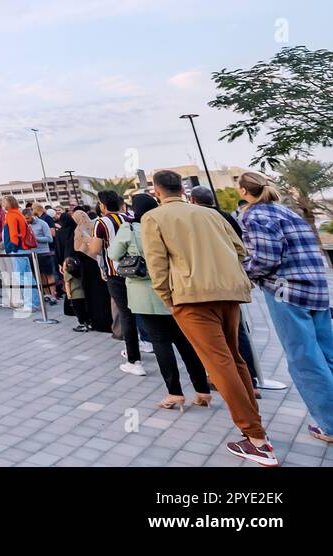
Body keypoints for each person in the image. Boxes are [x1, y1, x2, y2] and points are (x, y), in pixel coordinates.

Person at [142, 169, 276, 466]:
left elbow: (157, 264)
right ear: (182, 188)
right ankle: (254, 426)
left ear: (157, 191)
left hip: (192, 297)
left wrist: (168, 299)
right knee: (234, 358)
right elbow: (240, 249)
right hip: (229, 293)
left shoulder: (154, 218)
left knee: (219, 364)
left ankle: (256, 438)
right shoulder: (211, 214)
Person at [238, 170, 333, 446]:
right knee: (327, 355)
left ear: (245, 191)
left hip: (286, 292)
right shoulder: (287, 212)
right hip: (316, 290)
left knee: (304, 360)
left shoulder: (255, 215)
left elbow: (265, 259)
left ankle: (329, 424)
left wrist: (245, 270)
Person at [112, 193, 211, 409]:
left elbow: (114, 253)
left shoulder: (129, 229)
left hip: (145, 293)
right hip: (176, 289)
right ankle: (202, 389)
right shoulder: (166, 224)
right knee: (185, 341)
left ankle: (175, 392)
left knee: (161, 343)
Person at [189, 185, 284, 393]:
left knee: (215, 338)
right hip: (231, 282)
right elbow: (242, 246)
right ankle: (250, 379)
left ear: (193, 201)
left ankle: (225, 381)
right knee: (238, 333)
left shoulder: (195, 219)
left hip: (206, 284)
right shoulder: (226, 217)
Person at [88, 190, 145, 375]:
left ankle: (134, 359)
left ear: (103, 205)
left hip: (115, 272)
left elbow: (95, 249)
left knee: (126, 313)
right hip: (136, 269)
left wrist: (89, 243)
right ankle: (144, 342)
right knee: (140, 309)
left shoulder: (101, 223)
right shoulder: (128, 217)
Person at [71, 206, 114, 332]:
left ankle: (98, 322)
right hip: (97, 266)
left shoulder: (78, 232)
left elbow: (77, 249)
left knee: (93, 297)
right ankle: (108, 322)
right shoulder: (93, 227)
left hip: (87, 270)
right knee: (103, 295)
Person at [3, 196, 37, 316]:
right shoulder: (19, 214)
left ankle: (29, 304)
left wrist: (12, 247)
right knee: (29, 277)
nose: (3, 203)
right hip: (25, 249)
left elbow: (13, 235)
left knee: (22, 277)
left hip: (18, 249)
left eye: (4, 201)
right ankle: (35, 302)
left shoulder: (11, 215)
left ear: (9, 203)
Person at [29, 201, 58, 302]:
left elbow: (51, 237)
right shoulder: (28, 225)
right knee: (40, 274)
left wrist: (35, 238)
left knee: (49, 274)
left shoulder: (44, 221)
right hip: (33, 253)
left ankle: (54, 295)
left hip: (45, 252)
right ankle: (47, 294)